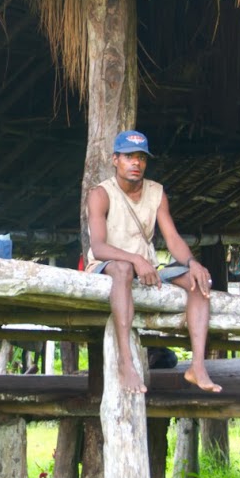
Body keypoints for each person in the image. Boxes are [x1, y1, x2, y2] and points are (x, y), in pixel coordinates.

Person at [84, 130, 217, 395]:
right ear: (115, 160)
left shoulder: (157, 193)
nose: (136, 163)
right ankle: (126, 361)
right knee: (122, 269)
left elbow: (172, 238)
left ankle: (198, 366)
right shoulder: (100, 194)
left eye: (141, 158)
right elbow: (98, 247)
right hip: (108, 267)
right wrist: (134, 259)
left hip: (146, 268)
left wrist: (192, 262)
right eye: (129, 157)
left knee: (198, 281)